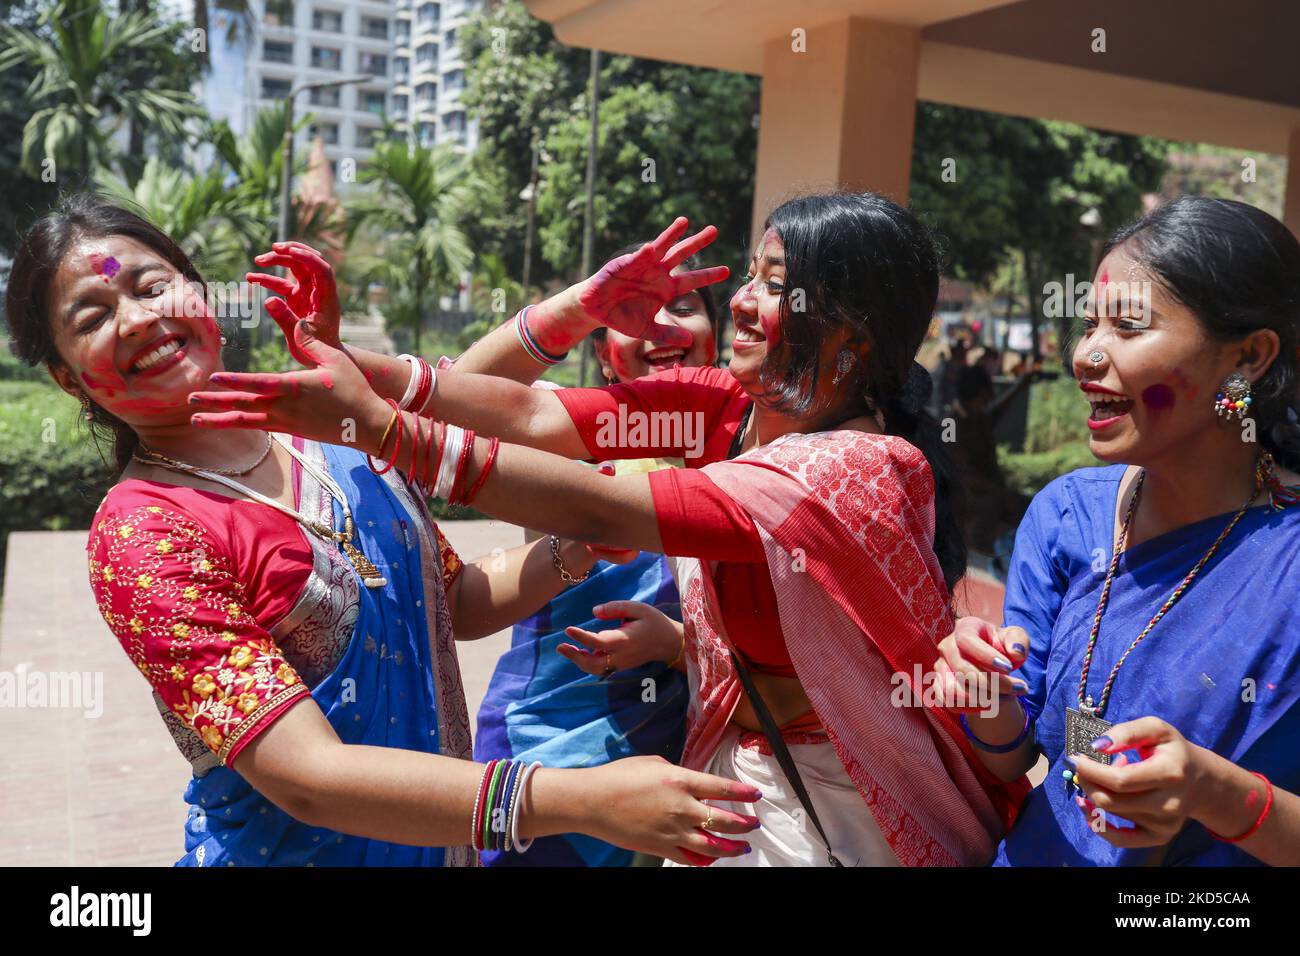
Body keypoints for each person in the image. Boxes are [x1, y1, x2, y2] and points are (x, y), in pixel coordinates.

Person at [190, 193, 1030, 866]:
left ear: (847, 336)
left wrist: (379, 428)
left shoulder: (855, 467)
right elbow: (529, 412)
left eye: (775, 285)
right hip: (731, 775)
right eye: (751, 275)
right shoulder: (730, 410)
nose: (739, 300)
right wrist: (337, 357)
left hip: (850, 803)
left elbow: (602, 508)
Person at [4, 194, 760, 867]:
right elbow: (308, 778)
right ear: (69, 377)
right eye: (94, 317)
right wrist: (581, 801)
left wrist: (573, 550)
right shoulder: (143, 531)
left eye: (150, 284)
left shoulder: (329, 439)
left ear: (200, 293)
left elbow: (454, 603)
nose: (139, 318)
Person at [930, 196, 1300, 865]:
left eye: (1128, 327)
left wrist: (1215, 793)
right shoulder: (1069, 516)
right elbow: (1017, 758)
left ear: (1247, 358)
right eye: (1089, 325)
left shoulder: (1288, 559)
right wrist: (982, 693)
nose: (1085, 355)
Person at [466, 241, 721, 867]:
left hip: (666, 782)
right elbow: (463, 396)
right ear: (603, 353)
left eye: (683, 308)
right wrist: (577, 308)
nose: (661, 327)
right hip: (540, 762)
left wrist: (677, 645)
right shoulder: (568, 437)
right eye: (633, 314)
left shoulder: (749, 461)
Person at [951, 363, 1035, 554]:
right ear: (976, 394)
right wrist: (1000, 493)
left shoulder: (978, 417)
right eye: (985, 396)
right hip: (971, 501)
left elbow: (996, 411)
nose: (988, 400)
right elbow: (959, 473)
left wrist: (1020, 386)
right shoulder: (950, 424)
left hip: (993, 491)